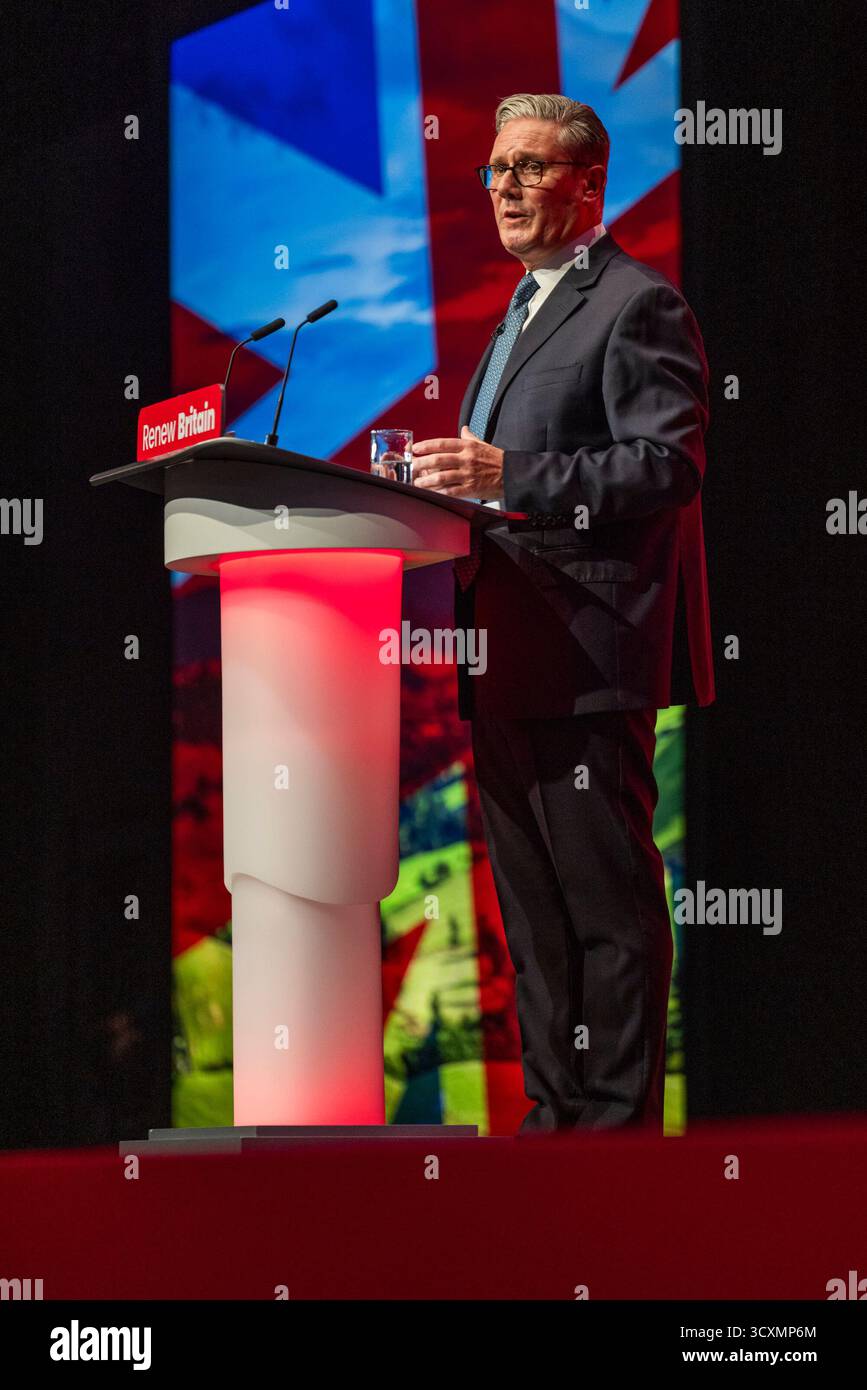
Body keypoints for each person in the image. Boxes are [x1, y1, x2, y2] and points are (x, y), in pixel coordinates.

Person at [412, 93, 714, 1132]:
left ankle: (616, 1136)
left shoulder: (637, 302)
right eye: (495, 168)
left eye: (530, 168)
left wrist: (513, 472)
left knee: (606, 907)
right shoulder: (519, 312)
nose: (504, 186)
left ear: (588, 184)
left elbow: (666, 463)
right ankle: (554, 1122)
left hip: (590, 650)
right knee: (535, 919)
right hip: (508, 649)